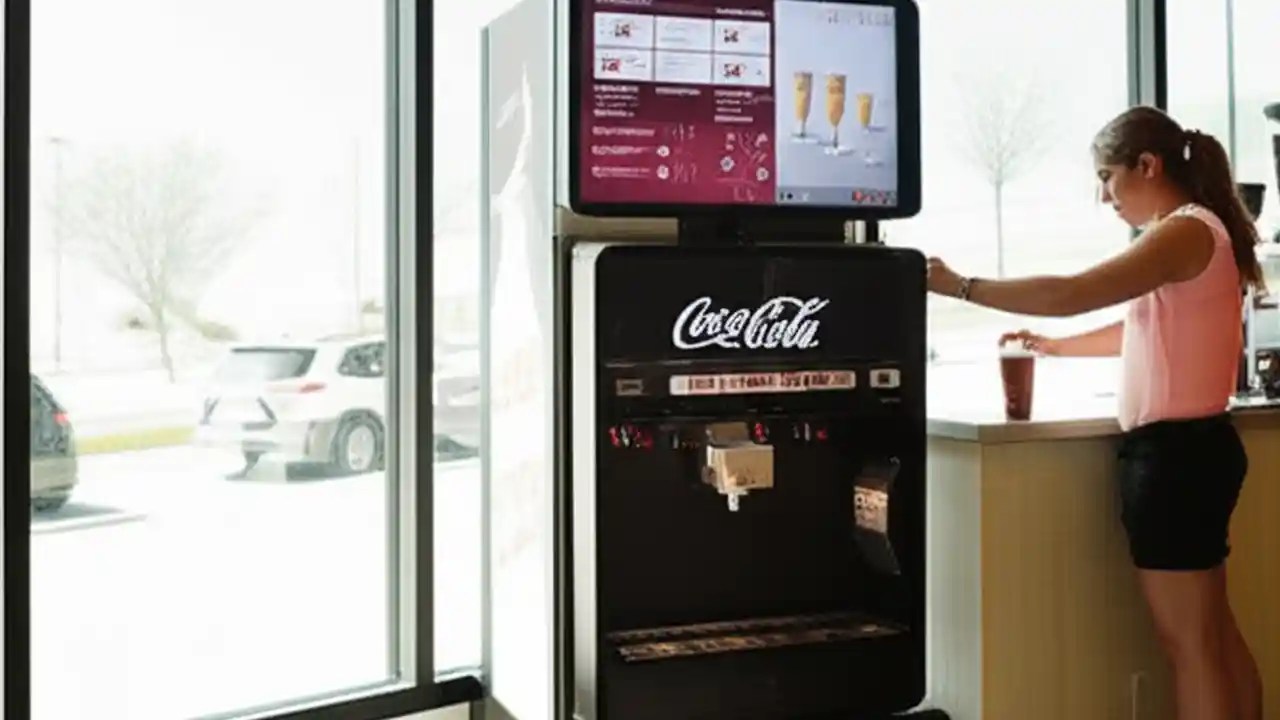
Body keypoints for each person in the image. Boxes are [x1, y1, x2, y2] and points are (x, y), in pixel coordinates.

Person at [926, 105, 1264, 720]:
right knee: (1212, 636)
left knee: (1189, 648)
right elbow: (1141, 326)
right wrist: (1057, 348)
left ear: (1147, 165)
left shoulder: (1183, 231)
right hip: (1197, 453)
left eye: (1106, 176)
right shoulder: (1201, 230)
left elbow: (1071, 292)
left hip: (1174, 462)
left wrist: (962, 286)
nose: (1104, 196)